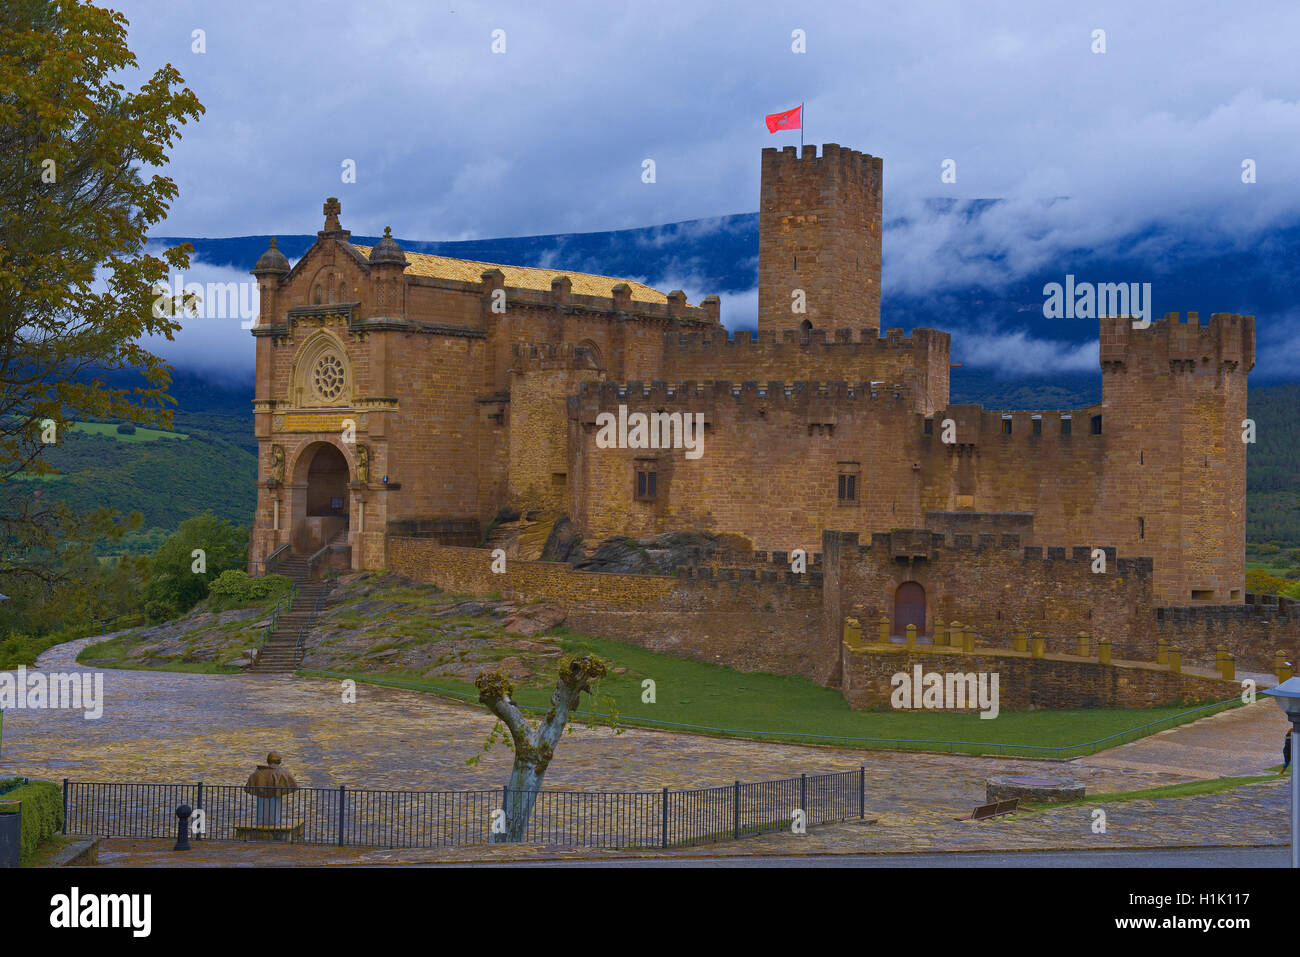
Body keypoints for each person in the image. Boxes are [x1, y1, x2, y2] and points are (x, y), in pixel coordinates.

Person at [243, 752, 299, 826]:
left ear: (268, 760)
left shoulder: (256, 773)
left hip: (263, 802)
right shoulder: (284, 773)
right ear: (279, 761)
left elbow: (247, 787)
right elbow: (294, 784)